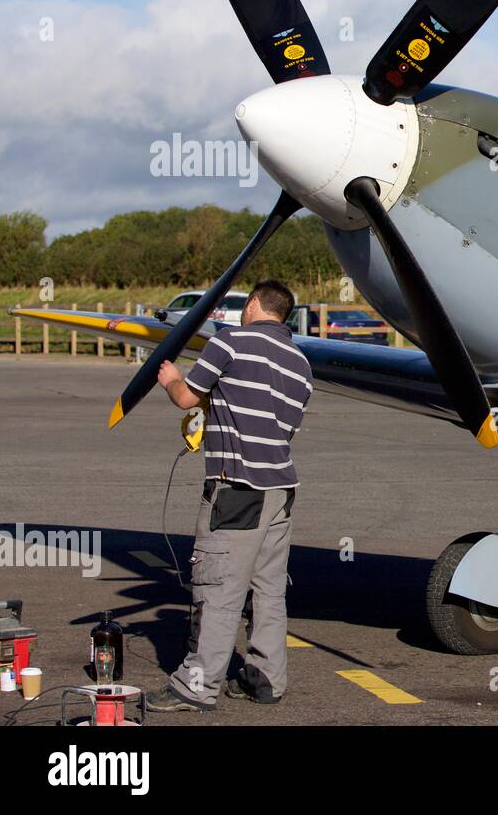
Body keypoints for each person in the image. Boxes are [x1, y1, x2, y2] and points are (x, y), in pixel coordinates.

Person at [144, 280, 313, 712]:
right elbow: (280, 429)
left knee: (216, 587)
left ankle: (195, 686)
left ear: (253, 303)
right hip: (281, 489)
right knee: (269, 592)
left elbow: (186, 397)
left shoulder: (230, 341)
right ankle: (265, 679)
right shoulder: (301, 363)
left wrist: (168, 376)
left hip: (237, 488)